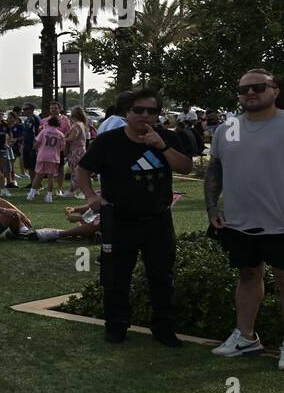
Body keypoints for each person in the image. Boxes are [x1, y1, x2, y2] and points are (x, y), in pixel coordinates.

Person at [75, 88, 192, 347]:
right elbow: (83, 169)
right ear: (127, 112)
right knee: (116, 278)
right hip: (119, 220)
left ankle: (163, 328)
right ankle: (116, 326)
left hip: (158, 220)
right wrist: (90, 196)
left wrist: (161, 147)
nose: (145, 116)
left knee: (162, 277)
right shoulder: (109, 141)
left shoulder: (168, 137)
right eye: (139, 110)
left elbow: (185, 167)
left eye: (152, 111)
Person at [206, 69, 284, 362]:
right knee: (248, 275)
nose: (250, 93)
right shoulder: (228, 128)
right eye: (243, 90)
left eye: (258, 87)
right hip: (238, 222)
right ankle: (246, 337)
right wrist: (212, 207)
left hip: (280, 221)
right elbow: (215, 169)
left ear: (274, 90)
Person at [27, 115, 66, 203]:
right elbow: (62, 148)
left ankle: (31, 194)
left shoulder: (44, 131)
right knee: (50, 177)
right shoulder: (61, 134)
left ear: (49, 122)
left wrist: (36, 149)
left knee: (39, 175)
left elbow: (36, 143)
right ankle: (49, 196)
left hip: (42, 155)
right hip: (53, 157)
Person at [66, 107, 89, 198]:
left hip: (76, 151)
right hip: (81, 150)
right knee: (78, 171)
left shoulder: (76, 125)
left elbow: (72, 137)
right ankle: (73, 190)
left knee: (75, 172)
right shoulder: (82, 124)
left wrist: (62, 139)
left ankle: (74, 191)